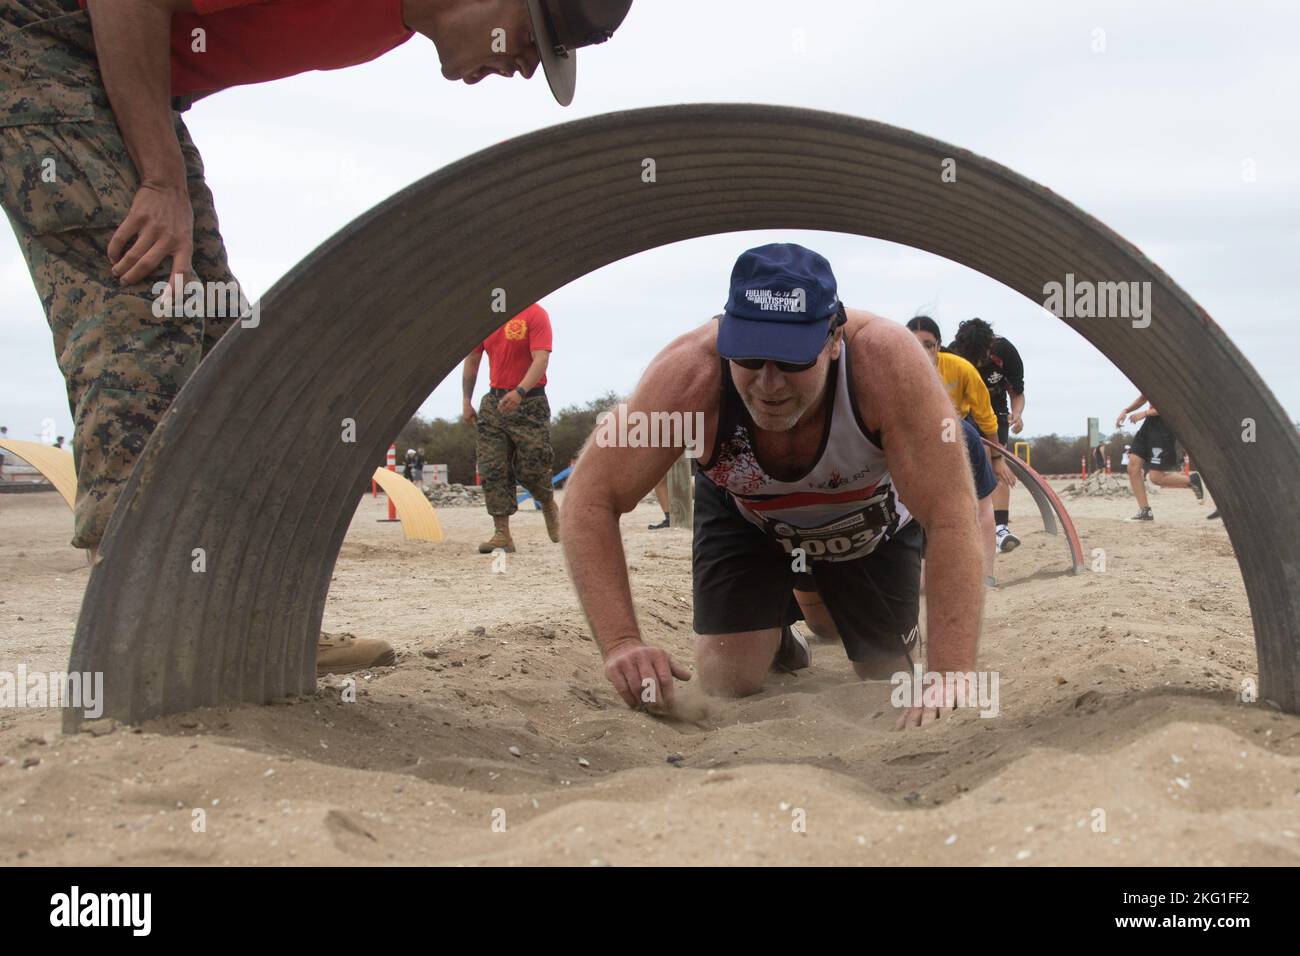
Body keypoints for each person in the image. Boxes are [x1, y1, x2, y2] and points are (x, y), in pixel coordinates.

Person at [0, 0, 634, 673]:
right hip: (43, 42)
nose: (524, 67)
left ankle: (252, 626)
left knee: (227, 353)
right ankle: (139, 635)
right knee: (144, 307)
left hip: (128, 76)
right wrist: (159, 177)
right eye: (535, 40)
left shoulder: (386, 28)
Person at [561, 243, 985, 730]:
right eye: (750, 355)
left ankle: (810, 592)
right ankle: (779, 630)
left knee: (884, 669)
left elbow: (952, 513)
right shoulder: (689, 377)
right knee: (728, 675)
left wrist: (951, 674)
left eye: (791, 360)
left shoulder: (886, 364)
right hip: (750, 516)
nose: (769, 382)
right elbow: (590, 497)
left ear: (833, 340)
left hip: (865, 520)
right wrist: (622, 642)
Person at [905, 316, 1002, 583]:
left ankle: (986, 576)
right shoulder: (894, 368)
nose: (923, 352)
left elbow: (985, 415)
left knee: (978, 500)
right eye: (914, 345)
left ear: (938, 346)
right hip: (911, 434)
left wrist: (997, 456)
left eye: (928, 345)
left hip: (958, 427)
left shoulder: (960, 369)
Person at [462, 303, 561, 553]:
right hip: (494, 403)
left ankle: (547, 501)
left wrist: (520, 391)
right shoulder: (484, 317)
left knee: (533, 467)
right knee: (491, 467)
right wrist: (466, 400)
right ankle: (502, 533)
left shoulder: (535, 314)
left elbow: (542, 358)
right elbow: (473, 358)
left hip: (531, 402)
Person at [948, 318, 1025, 553]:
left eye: (979, 356)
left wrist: (1018, 414)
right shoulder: (953, 354)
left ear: (990, 345)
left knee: (997, 459)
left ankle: (1001, 528)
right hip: (963, 410)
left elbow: (1017, 391)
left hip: (995, 408)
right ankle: (966, 525)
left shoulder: (1005, 352)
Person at [1115, 394, 1204, 520]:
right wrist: (1126, 410)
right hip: (1148, 424)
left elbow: (1171, 406)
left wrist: (1145, 413)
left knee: (1155, 478)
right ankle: (1145, 511)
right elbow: (1143, 397)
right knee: (1132, 467)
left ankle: (1192, 480)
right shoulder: (1149, 378)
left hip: (1164, 426)